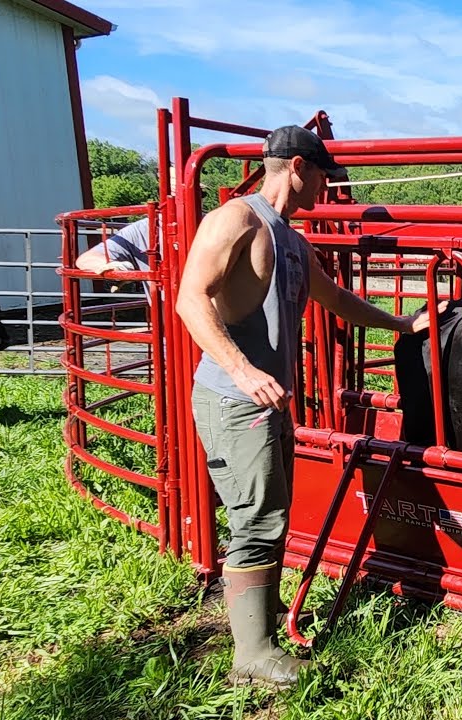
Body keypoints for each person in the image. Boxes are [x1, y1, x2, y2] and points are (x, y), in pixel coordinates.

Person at [176, 125, 440, 689]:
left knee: (271, 516)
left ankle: (263, 636)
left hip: (265, 401)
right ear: (297, 166)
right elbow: (189, 298)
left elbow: (334, 298)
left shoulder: (292, 241)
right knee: (256, 520)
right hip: (233, 398)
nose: (327, 188)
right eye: (323, 176)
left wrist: (399, 323)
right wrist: (244, 371)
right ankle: (252, 657)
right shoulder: (235, 220)